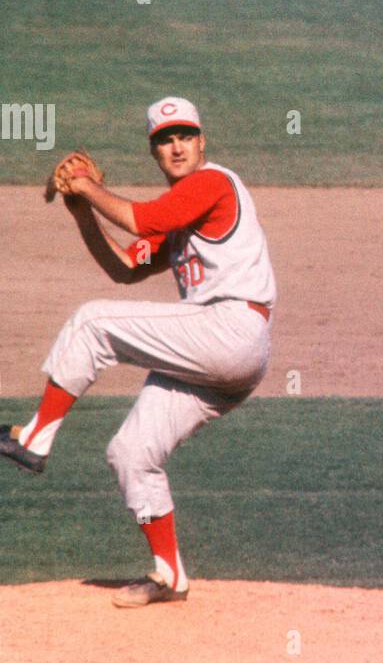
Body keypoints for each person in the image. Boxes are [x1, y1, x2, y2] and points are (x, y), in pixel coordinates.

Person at [0, 96, 276, 607]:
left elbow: (140, 218)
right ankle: (169, 576)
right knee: (131, 453)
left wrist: (86, 184)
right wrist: (82, 212)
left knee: (92, 320)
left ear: (201, 141)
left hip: (231, 328)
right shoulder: (182, 213)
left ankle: (36, 437)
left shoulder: (213, 182)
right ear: (154, 150)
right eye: (164, 139)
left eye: (184, 136)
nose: (176, 146)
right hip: (219, 356)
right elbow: (125, 267)